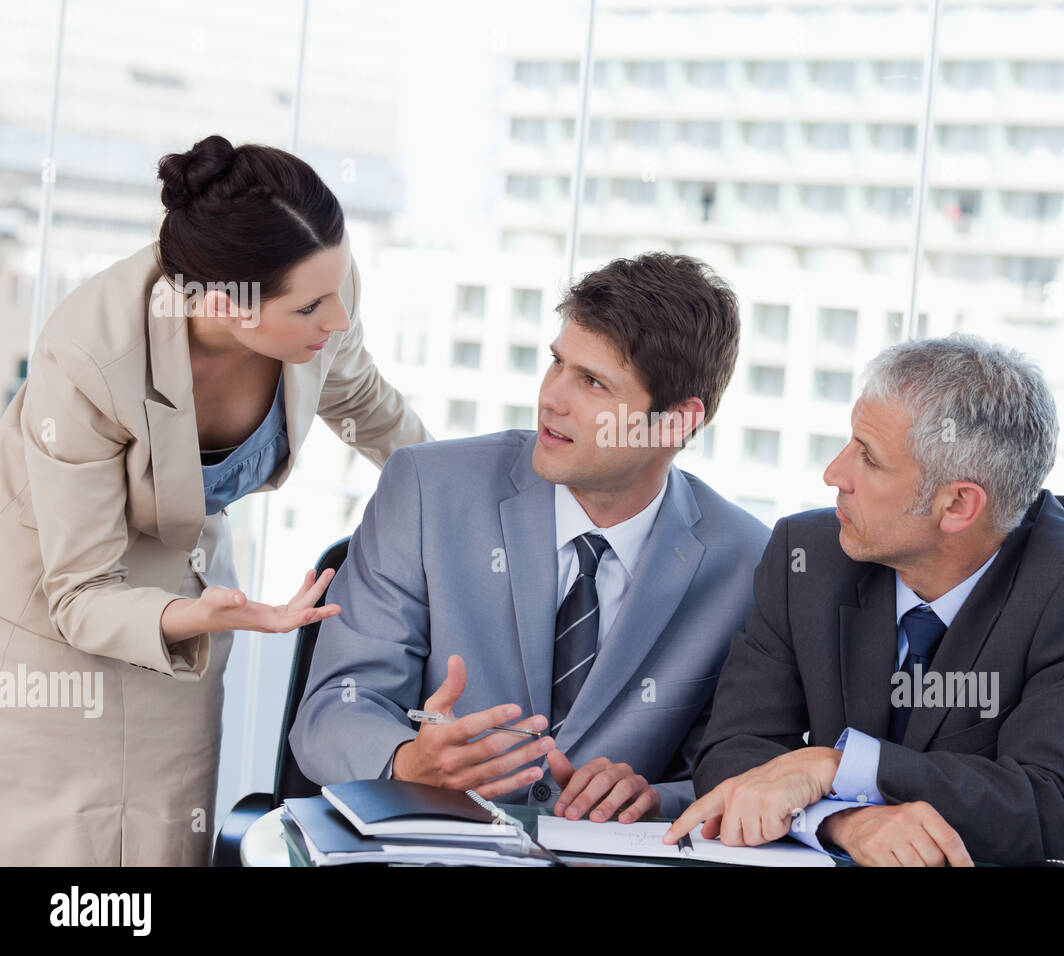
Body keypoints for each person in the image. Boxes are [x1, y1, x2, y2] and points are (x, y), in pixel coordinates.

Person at [0, 135, 430, 865]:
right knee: (69, 843)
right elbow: (80, 592)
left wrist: (461, 500)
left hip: (182, 579)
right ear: (228, 304)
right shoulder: (88, 356)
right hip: (55, 596)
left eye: (339, 288)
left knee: (169, 828)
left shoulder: (317, 304)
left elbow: (369, 407)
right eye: (313, 307)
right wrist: (201, 613)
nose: (339, 321)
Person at [291, 253, 769, 821]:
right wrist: (403, 759)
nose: (552, 398)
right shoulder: (426, 491)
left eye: (593, 382)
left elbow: (745, 772)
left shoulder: (749, 564)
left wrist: (656, 799)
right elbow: (331, 710)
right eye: (557, 362)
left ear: (676, 422)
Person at [664, 334, 1064, 865]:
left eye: (868, 458)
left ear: (959, 505)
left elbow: (1059, 813)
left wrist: (838, 765)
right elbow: (732, 749)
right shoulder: (805, 555)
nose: (833, 475)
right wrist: (841, 821)